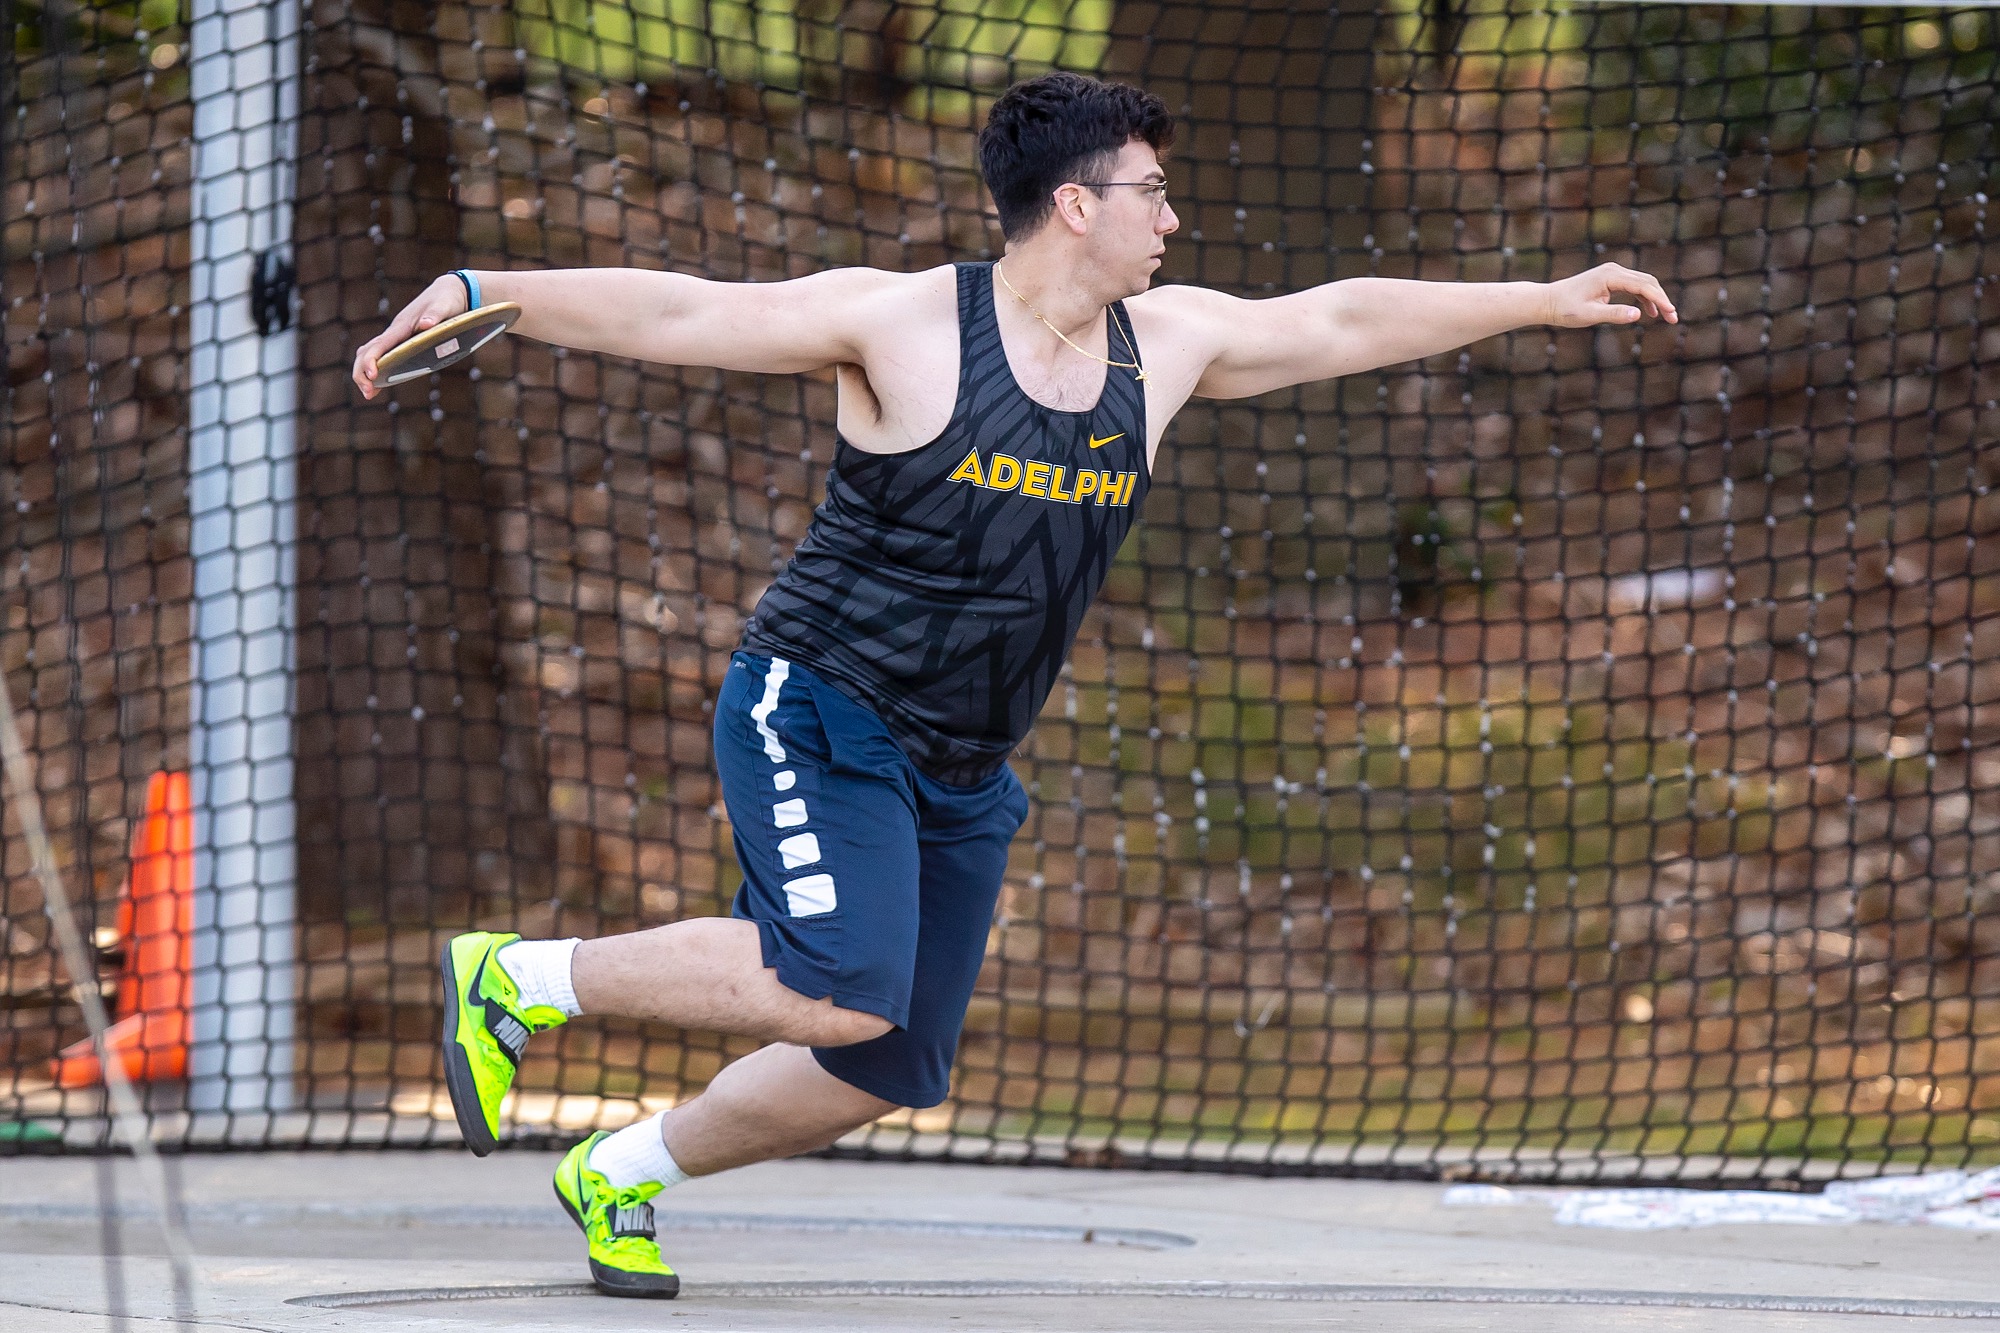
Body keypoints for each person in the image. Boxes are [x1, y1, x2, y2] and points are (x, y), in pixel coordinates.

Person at [351, 70, 1676, 1299]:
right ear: (1078, 203)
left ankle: (619, 1172)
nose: (1173, 218)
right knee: (840, 981)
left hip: (963, 761)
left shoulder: (1166, 347)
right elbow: (682, 311)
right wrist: (484, 283)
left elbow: (1341, 315)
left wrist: (1540, 298)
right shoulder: (908, 324)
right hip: (819, 704)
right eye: (1153, 192)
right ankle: (520, 978)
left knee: (884, 1062)